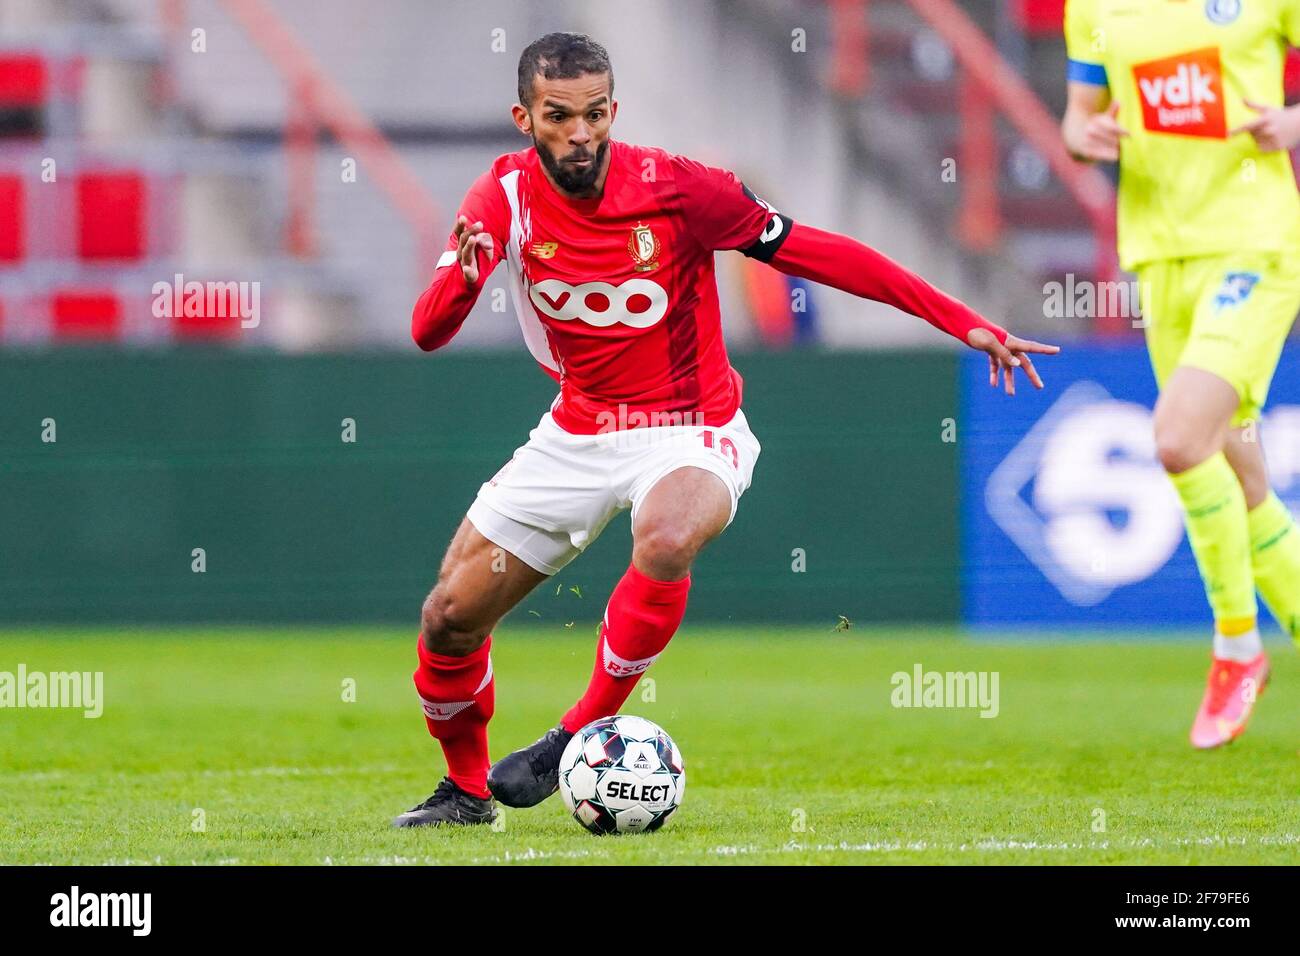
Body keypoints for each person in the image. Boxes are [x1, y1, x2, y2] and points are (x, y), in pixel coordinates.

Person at [395, 32, 1058, 826]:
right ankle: (467, 794)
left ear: (614, 110)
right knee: (449, 617)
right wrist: (465, 283)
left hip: (692, 426)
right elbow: (428, 332)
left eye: (595, 114)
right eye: (559, 115)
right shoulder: (501, 198)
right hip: (575, 433)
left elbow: (815, 250)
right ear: (524, 117)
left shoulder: (679, 189)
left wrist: (959, 319)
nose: (580, 133)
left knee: (668, 536)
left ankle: (576, 730)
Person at [1062, 0, 1300, 748]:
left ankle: (1237, 646)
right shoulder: (1093, 8)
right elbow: (1075, 121)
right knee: (1243, 478)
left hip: (1255, 245)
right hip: (1161, 260)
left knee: (1176, 437)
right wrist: (1086, 137)